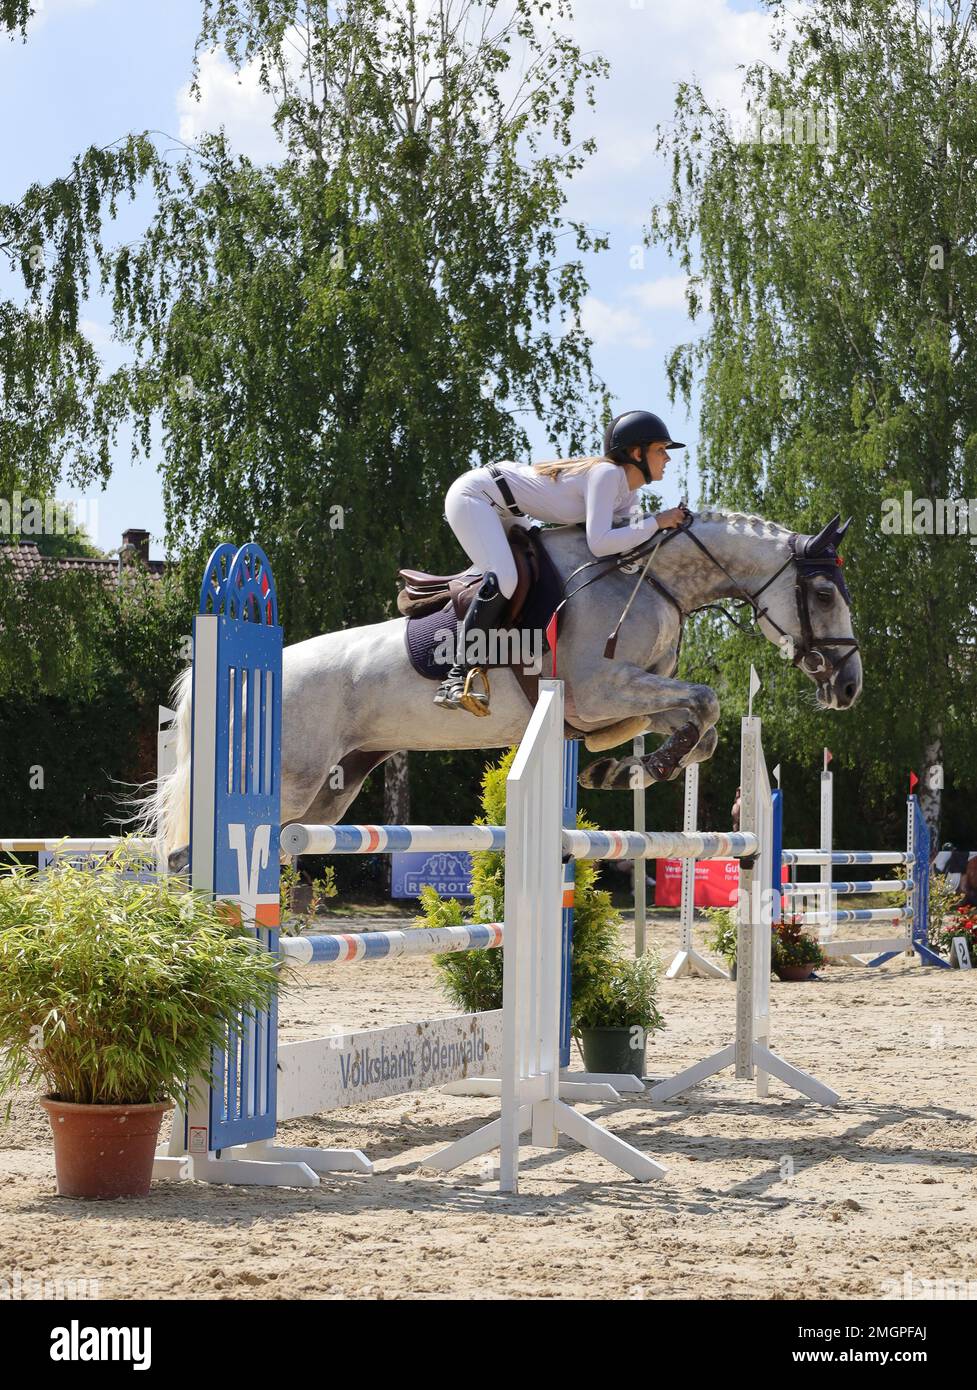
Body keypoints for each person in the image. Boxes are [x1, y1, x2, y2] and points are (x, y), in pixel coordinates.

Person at [435, 410, 689, 712]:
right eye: (661, 450)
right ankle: (456, 677)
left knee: (543, 566)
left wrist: (666, 530)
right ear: (636, 453)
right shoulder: (606, 475)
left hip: (507, 508)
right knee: (505, 577)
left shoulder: (630, 496)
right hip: (475, 497)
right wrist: (658, 521)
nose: (667, 459)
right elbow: (600, 543)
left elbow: (631, 550)